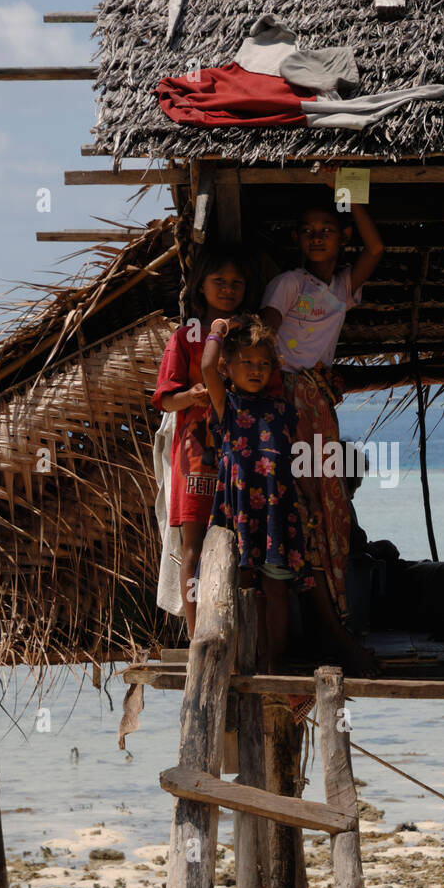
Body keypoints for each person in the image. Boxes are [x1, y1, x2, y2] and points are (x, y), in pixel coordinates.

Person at [260, 188, 383, 675]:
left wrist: (350, 196)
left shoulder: (342, 289)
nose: (317, 238)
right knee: (305, 506)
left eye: (326, 231)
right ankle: (329, 634)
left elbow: (376, 250)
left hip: (317, 405)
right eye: (309, 232)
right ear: (296, 239)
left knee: (327, 508)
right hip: (288, 401)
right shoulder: (290, 283)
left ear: (342, 237)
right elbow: (267, 328)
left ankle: (336, 626)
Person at [202, 314, 315, 672]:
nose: (256, 370)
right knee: (239, 585)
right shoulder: (228, 406)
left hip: (277, 512)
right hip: (238, 511)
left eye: (264, 364)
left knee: (277, 587)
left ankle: (272, 662)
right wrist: (218, 331)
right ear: (228, 367)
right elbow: (206, 367)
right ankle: (237, 659)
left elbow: (299, 458)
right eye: (246, 362)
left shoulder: (283, 410)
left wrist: (309, 498)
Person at [153, 245, 250, 635]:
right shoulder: (185, 338)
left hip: (242, 451)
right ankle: (197, 637)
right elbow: (165, 398)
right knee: (192, 546)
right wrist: (192, 397)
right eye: (219, 281)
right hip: (196, 453)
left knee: (243, 541)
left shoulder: (247, 334)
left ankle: (240, 633)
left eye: (236, 283)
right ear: (201, 286)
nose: (228, 289)